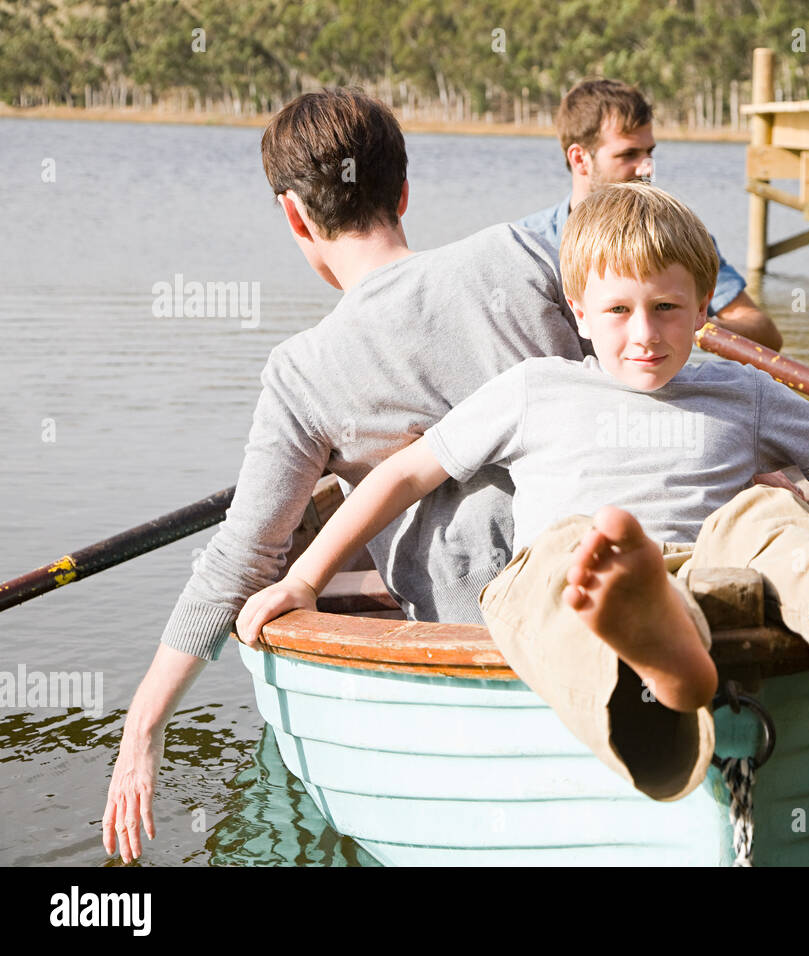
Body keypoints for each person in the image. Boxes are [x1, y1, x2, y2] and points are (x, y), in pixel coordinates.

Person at [237, 182, 809, 802]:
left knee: (776, 518)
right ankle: (664, 659)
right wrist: (304, 580)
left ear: (701, 309)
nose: (645, 335)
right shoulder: (535, 386)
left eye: (669, 309)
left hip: (721, 570)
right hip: (601, 572)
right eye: (618, 311)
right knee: (557, 559)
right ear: (577, 309)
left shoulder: (739, 390)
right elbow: (402, 475)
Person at [101, 88, 591, 863]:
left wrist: (142, 727)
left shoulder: (304, 374)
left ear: (295, 216)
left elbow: (243, 560)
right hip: (616, 579)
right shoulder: (522, 256)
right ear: (403, 190)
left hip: (476, 632)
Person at [516, 78, 784, 352]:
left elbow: (766, 336)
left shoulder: (676, 237)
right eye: (628, 154)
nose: (646, 168)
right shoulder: (525, 248)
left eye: (649, 152)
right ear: (580, 158)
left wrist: (688, 319)